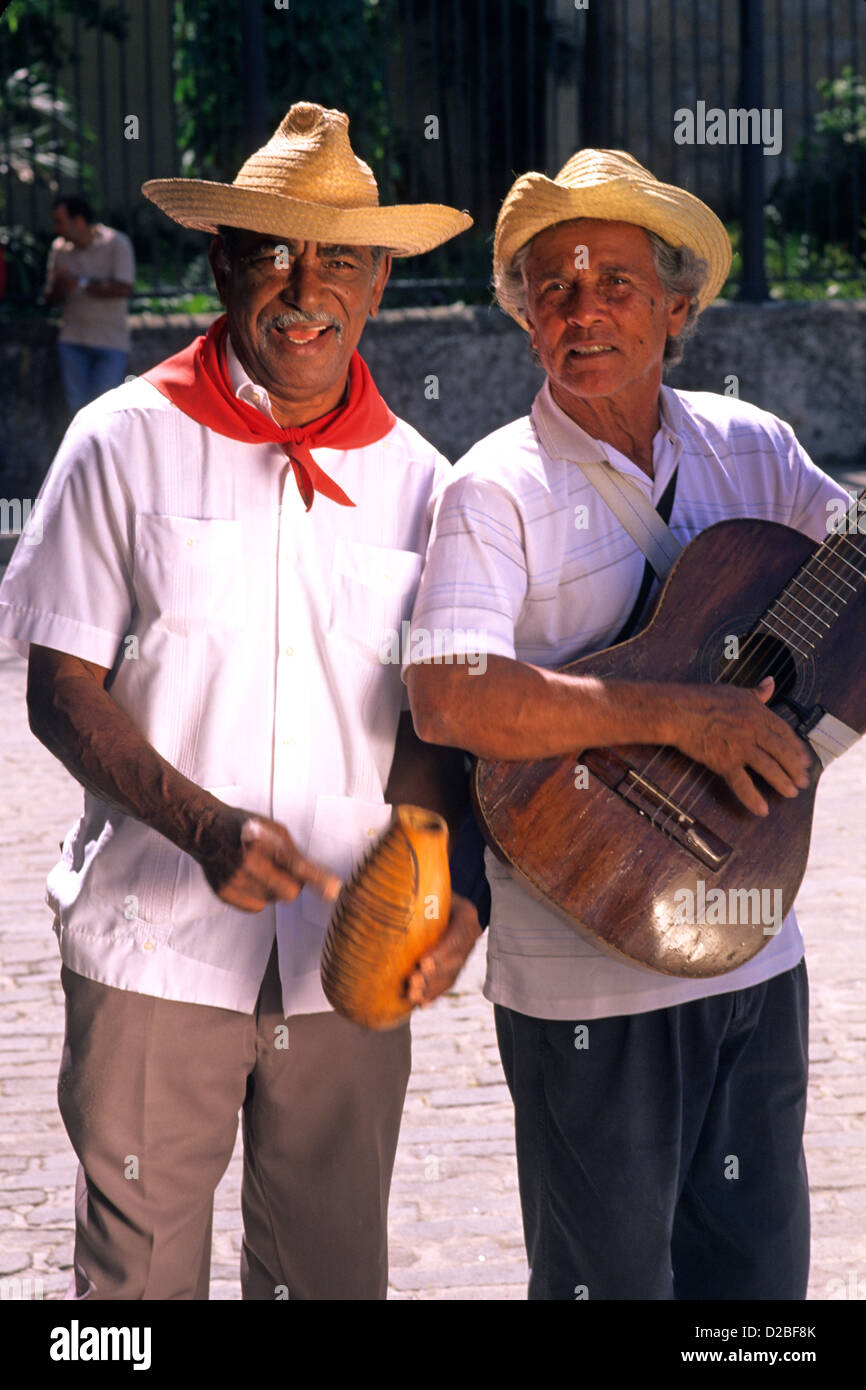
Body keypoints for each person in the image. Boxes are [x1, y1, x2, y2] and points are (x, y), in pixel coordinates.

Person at [0, 102, 480, 1301]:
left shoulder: (425, 484)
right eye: (274, 249)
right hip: (152, 948)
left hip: (344, 967)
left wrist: (436, 890)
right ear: (220, 261)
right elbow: (60, 689)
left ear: (378, 282)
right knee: (128, 1291)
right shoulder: (118, 440)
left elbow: (431, 724)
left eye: (339, 257)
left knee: (330, 1278)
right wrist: (202, 825)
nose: (305, 286)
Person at [404, 148, 853, 1300]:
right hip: (582, 970)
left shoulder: (753, 451)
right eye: (551, 286)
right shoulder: (491, 485)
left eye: (613, 283)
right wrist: (684, 720)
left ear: (676, 308)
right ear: (522, 321)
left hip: (752, 935)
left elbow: (856, 608)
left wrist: (795, 749)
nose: (581, 308)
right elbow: (449, 694)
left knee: (756, 1289)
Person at [44, 194, 136, 412]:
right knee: (76, 409)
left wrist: (80, 284)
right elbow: (49, 299)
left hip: (110, 342)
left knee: (106, 411)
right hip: (72, 341)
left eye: (60, 222)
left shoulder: (117, 243)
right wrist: (58, 285)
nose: (56, 228)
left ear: (79, 221)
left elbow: (125, 288)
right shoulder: (59, 248)